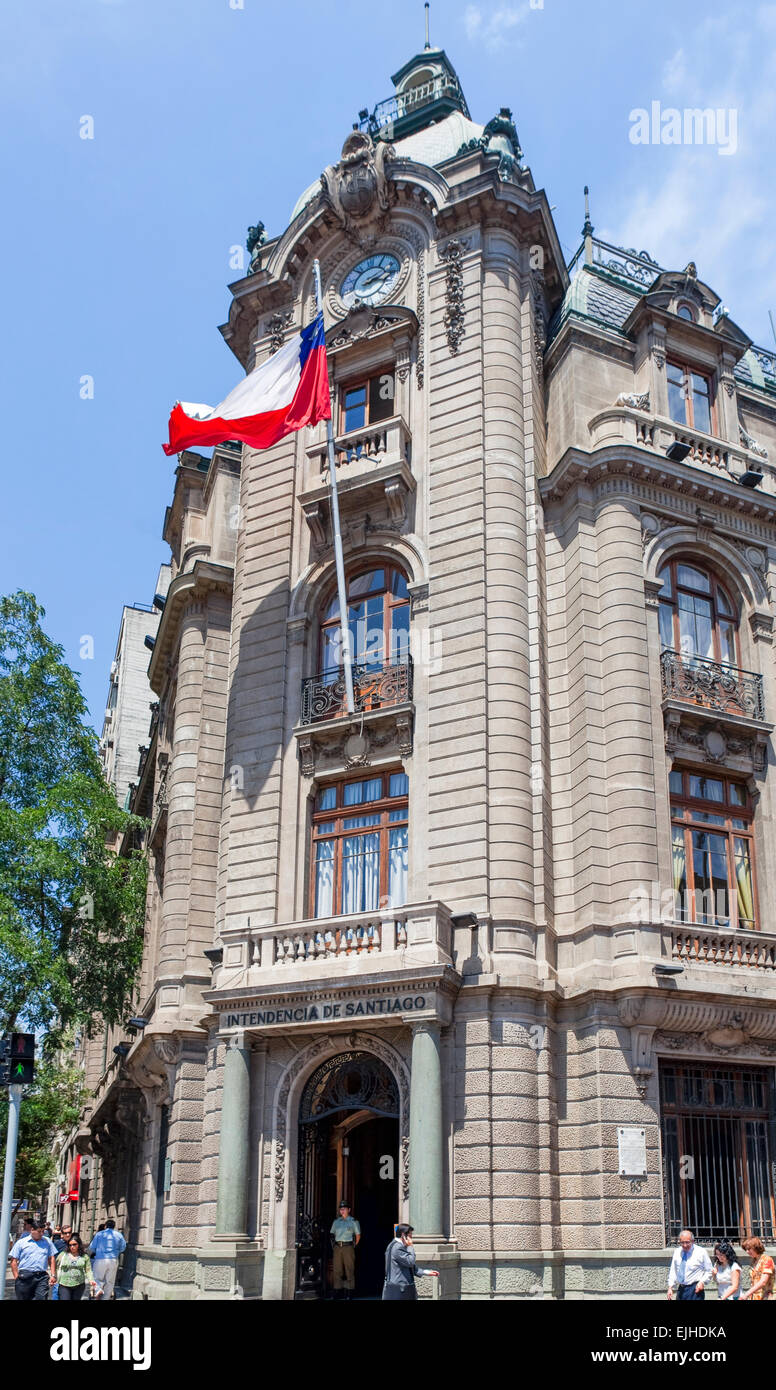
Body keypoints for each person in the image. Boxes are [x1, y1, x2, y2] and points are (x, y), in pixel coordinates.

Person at [382, 1224, 439, 1301]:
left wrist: (427, 1272)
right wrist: (410, 1246)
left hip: (400, 1288)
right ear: (403, 1235)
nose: (412, 1236)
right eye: (410, 1234)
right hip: (400, 1289)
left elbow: (409, 1266)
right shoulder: (397, 1247)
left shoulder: (395, 1245)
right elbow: (410, 1262)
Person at [9, 1221, 57, 1300]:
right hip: (25, 1276)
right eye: (39, 1231)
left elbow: (51, 1258)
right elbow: (13, 1261)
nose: (41, 1234)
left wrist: (53, 1275)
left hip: (41, 1276)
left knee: (41, 1297)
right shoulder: (21, 1243)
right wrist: (17, 1278)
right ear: (32, 1230)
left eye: (43, 1231)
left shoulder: (47, 1241)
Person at [666, 1229, 713, 1300]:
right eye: (682, 1242)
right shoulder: (677, 1252)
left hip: (695, 1289)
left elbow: (709, 1270)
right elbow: (673, 1271)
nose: (685, 1245)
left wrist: (702, 1282)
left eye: (687, 1242)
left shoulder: (701, 1252)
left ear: (693, 1241)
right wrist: (670, 1287)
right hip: (681, 1289)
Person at [88, 1219, 126, 1301]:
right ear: (114, 1226)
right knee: (110, 1281)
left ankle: (99, 1290)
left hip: (100, 1259)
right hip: (113, 1259)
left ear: (105, 1226)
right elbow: (123, 1247)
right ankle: (106, 1298)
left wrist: (97, 1252)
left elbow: (92, 1247)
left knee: (97, 1278)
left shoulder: (99, 1234)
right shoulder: (119, 1235)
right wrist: (116, 1251)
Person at [329, 1200, 361, 1299]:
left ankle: (349, 1292)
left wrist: (353, 1246)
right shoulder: (336, 1222)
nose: (342, 1211)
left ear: (349, 1210)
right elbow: (332, 1234)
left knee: (349, 1269)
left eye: (344, 1209)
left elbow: (358, 1235)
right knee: (337, 1270)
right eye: (341, 1209)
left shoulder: (353, 1221)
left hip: (348, 1247)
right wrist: (334, 1246)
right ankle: (337, 1291)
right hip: (338, 1247)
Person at [55, 1234, 97, 1302]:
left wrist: (91, 1280)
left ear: (79, 1244)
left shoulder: (84, 1256)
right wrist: (54, 1276)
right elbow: (56, 1265)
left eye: (74, 1244)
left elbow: (88, 1270)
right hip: (64, 1284)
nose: (72, 1247)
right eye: (70, 1245)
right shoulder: (63, 1255)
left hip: (79, 1285)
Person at [739, 1236, 775, 1300]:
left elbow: (763, 1281)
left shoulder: (766, 1259)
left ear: (756, 1247)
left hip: (767, 1296)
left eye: (749, 1249)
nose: (747, 1252)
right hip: (755, 1296)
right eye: (746, 1249)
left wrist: (747, 1294)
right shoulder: (754, 1261)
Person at [50, 1223, 73, 1300]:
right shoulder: (57, 1244)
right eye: (65, 1233)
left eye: (69, 1232)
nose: (68, 1234)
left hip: (72, 1274)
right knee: (57, 1292)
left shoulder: (75, 1243)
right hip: (59, 1273)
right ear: (62, 1234)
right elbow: (52, 1258)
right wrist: (54, 1273)